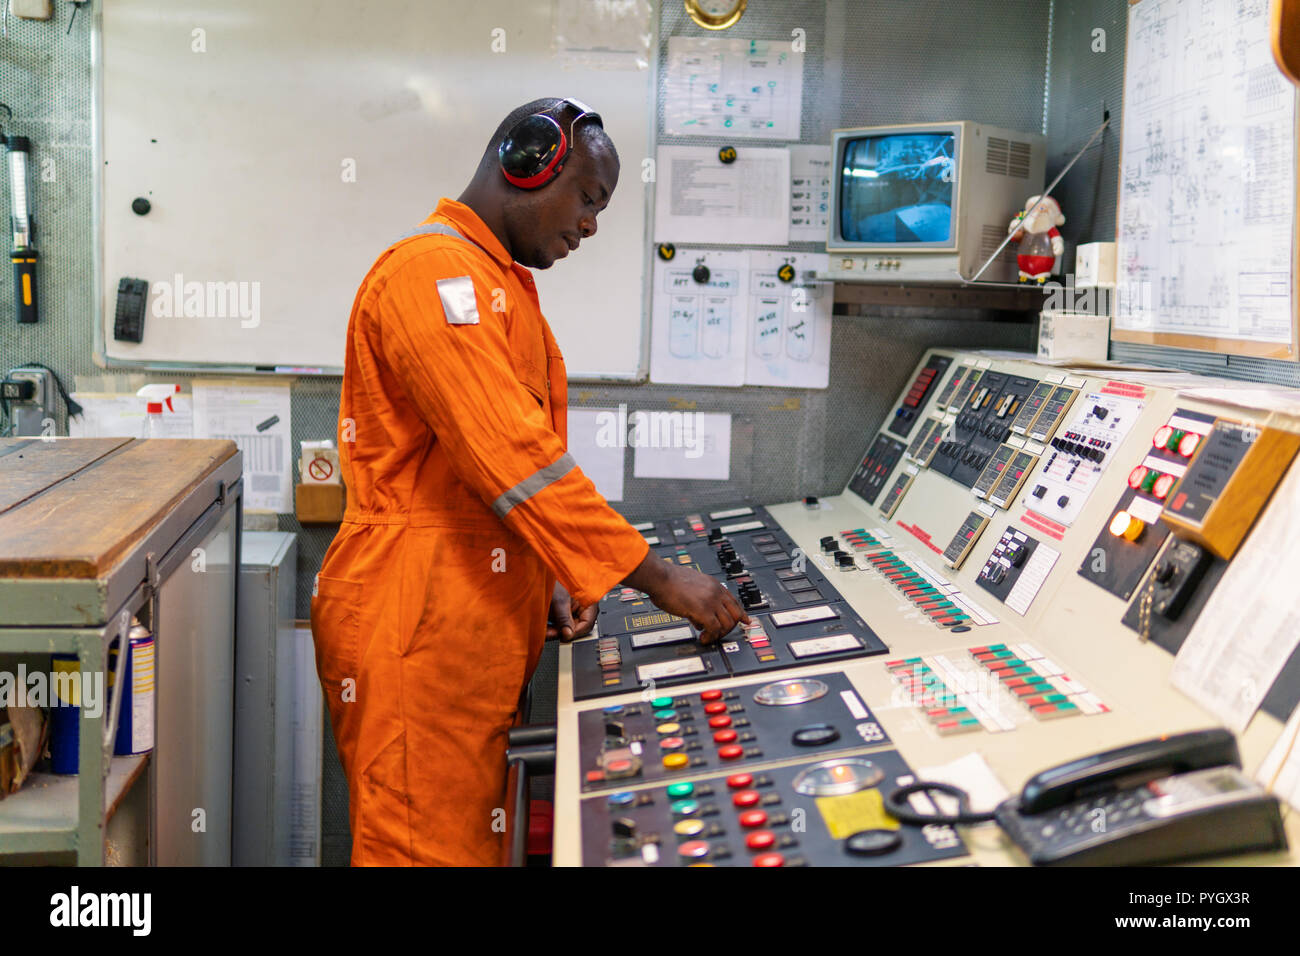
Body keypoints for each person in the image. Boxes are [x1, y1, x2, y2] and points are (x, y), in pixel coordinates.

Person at [311, 97, 747, 866]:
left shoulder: (489, 283)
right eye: (586, 198)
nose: (590, 225)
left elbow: (480, 481)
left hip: (462, 619)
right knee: (425, 853)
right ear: (526, 163)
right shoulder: (432, 276)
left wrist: (536, 575)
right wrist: (656, 576)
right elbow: (512, 455)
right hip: (416, 624)